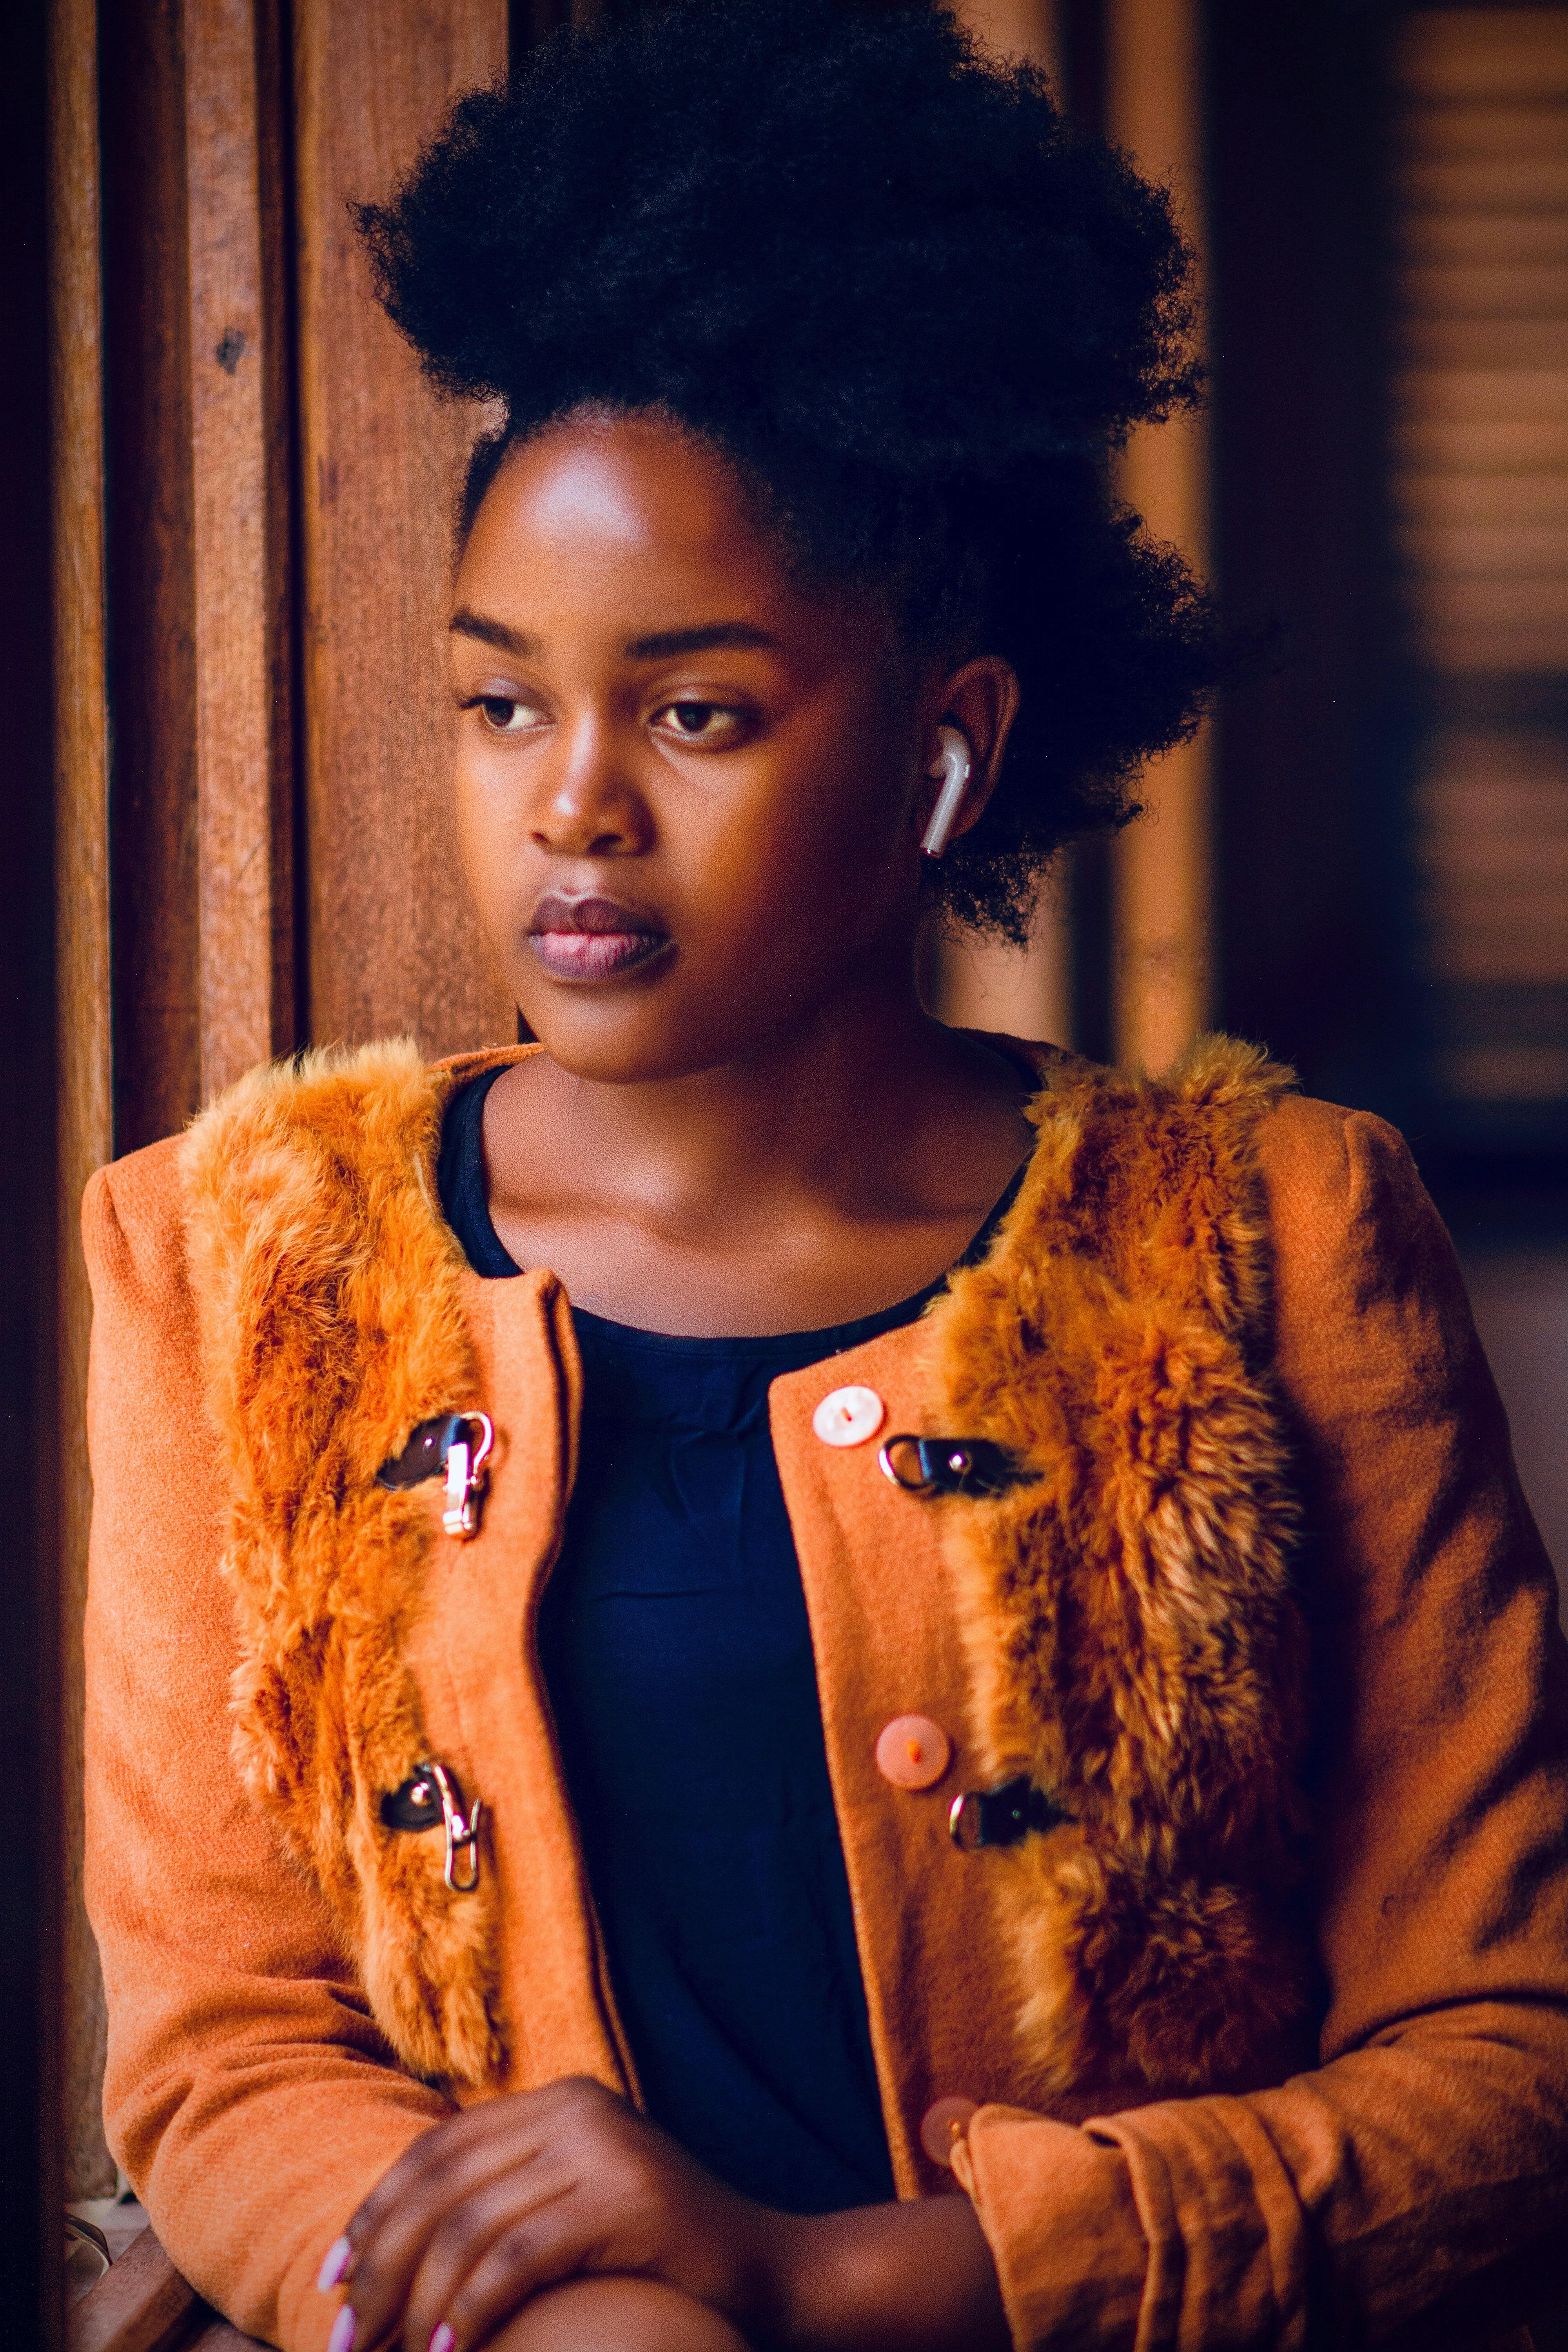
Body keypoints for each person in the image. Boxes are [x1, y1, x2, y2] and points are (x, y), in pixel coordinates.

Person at [82, 5, 1568, 2349]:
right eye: (501, 700)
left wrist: (857, 2282)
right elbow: (227, 2053)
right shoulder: (237, 1260)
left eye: (693, 712)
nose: (573, 805)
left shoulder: (1278, 1241)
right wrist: (581, 2321)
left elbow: (1508, 2062)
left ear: (948, 748)